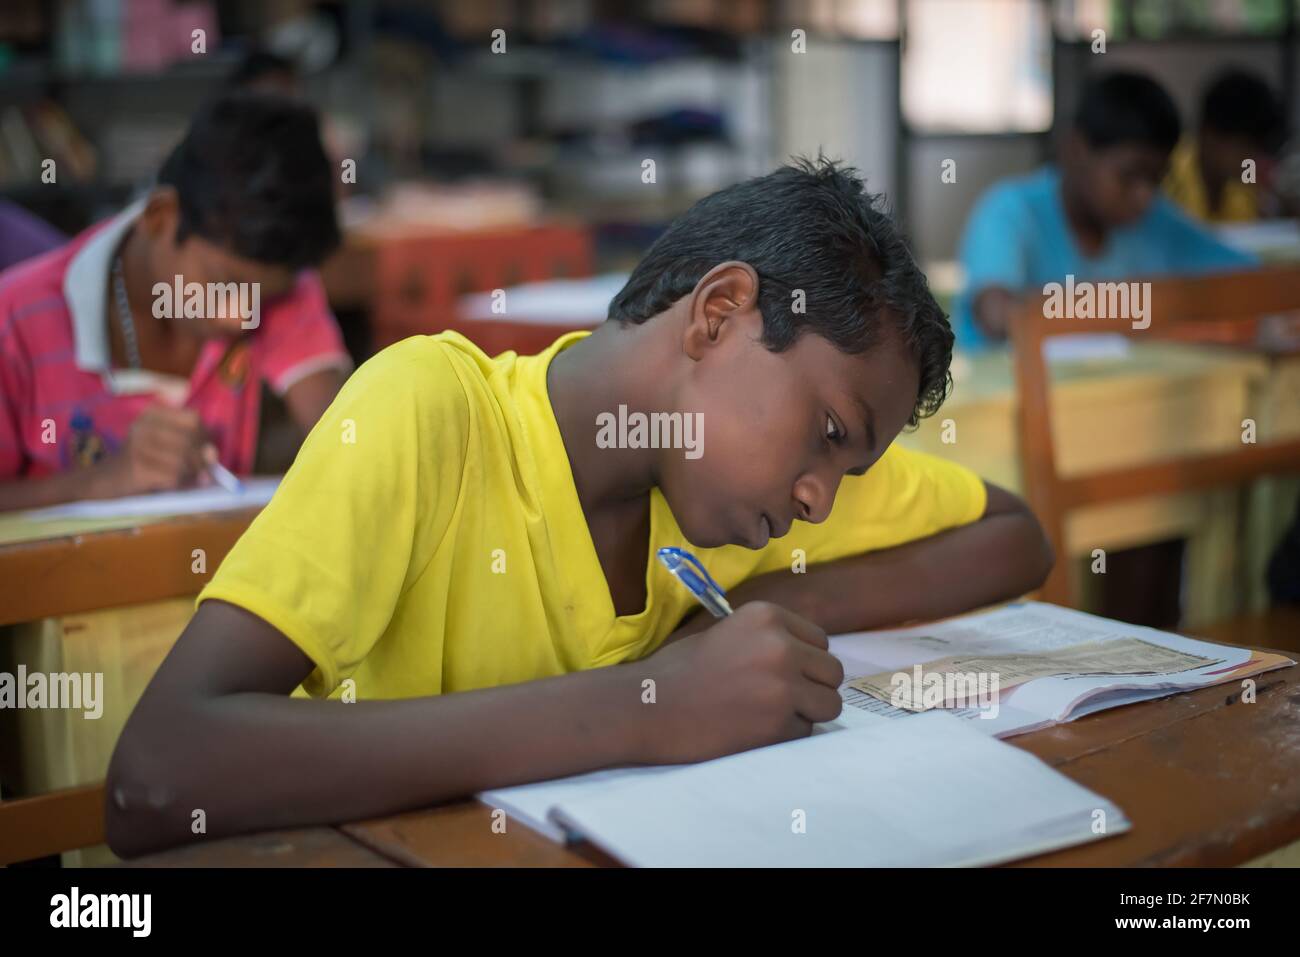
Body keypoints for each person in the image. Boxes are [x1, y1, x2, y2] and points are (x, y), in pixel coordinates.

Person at [106, 156, 1053, 857]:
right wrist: (645, 708)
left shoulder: (743, 486)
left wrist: (776, 615)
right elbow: (157, 770)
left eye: (847, 470)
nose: (820, 501)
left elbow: (1014, 535)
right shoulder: (430, 412)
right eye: (831, 436)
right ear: (719, 314)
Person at [0, 92, 351, 511]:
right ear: (161, 217)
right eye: (226, 285)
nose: (241, 318)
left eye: (263, 297)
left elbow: (345, 432)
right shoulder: (15, 323)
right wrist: (106, 480)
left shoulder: (273, 278)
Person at [954, 71, 1255, 348]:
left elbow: (1253, 281)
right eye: (1130, 176)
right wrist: (1142, 313)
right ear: (1076, 150)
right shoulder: (1010, 213)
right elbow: (995, 315)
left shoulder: (1156, 223)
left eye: (1156, 180)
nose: (1144, 196)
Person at [1164, 68, 1285, 224]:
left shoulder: (1245, 183)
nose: (1252, 160)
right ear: (1209, 135)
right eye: (1245, 147)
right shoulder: (1165, 177)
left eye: (1258, 150)